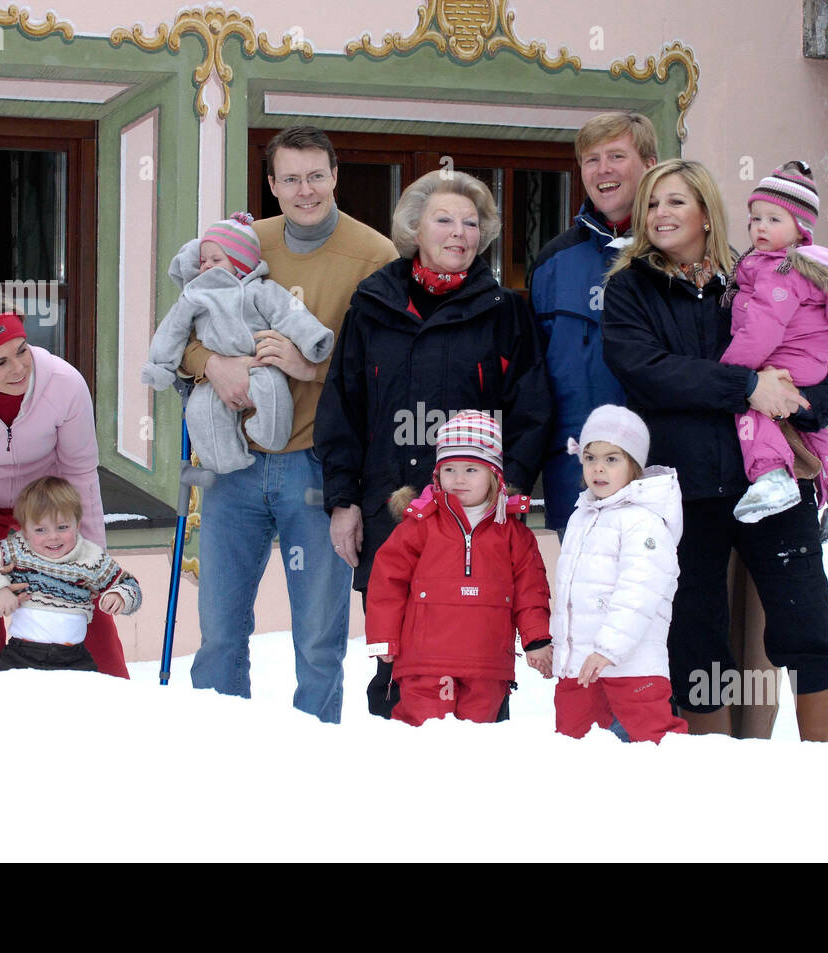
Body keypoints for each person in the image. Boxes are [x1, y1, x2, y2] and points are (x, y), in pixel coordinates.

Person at [601, 159, 828, 741]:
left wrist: (798, 401)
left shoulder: (760, 277)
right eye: (654, 204)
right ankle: (709, 772)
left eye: (676, 202)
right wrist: (746, 387)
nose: (661, 214)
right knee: (696, 632)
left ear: (707, 215)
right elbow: (648, 372)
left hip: (776, 484)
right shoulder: (631, 289)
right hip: (686, 489)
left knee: (807, 621)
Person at [179, 126, 398, 723]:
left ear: (335, 177)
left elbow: (385, 374)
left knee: (318, 641)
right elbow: (180, 334)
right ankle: (218, 744)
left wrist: (312, 367)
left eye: (316, 176)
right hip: (234, 464)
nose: (306, 191)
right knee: (221, 630)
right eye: (291, 178)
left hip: (318, 467)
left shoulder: (374, 256)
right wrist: (212, 365)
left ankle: (315, 758)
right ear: (271, 184)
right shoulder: (239, 243)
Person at [314, 169, 551, 718]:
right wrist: (344, 501)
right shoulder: (373, 306)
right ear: (414, 228)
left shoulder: (506, 313)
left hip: (476, 524)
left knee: (475, 659)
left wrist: (506, 491)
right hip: (390, 511)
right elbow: (343, 410)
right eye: (444, 220)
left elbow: (532, 409)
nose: (459, 233)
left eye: (471, 223)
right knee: (394, 659)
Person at [0, 307, 130, 679]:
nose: (18, 368)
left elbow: (80, 471)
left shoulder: (64, 384)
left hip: (46, 509)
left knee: (87, 605)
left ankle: (117, 701)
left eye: (21, 350)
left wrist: (92, 555)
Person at [720, 161, 828, 539]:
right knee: (805, 425)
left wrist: (731, 372)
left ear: (799, 230)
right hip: (808, 367)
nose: (760, 226)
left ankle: (772, 475)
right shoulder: (781, 265)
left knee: (752, 404)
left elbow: (763, 328)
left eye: (774, 219)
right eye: (755, 217)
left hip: (784, 362)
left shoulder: (783, 271)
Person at [364, 411, 551, 726]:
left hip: (486, 664)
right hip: (424, 662)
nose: (459, 478)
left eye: (470, 469)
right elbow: (387, 581)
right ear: (437, 475)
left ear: (494, 474)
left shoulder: (513, 533)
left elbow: (531, 590)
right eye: (449, 469)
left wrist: (536, 639)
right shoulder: (419, 526)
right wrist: (384, 636)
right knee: (425, 740)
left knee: (477, 749)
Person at [528, 112, 657, 537]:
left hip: (660, 474)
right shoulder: (553, 262)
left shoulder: (687, 252)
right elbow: (532, 381)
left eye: (617, 156)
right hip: (578, 480)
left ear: (650, 165)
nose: (602, 170)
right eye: (591, 159)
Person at [142, 213, 334, 476]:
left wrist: (313, 340)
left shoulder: (261, 290)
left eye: (216, 260)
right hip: (214, 378)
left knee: (273, 390)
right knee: (201, 410)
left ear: (240, 263)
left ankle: (269, 435)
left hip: (260, 363)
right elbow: (173, 329)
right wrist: (160, 364)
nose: (206, 266)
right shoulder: (195, 295)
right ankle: (225, 459)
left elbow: (290, 314)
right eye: (202, 261)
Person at [552, 405, 689, 743]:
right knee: (573, 742)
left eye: (612, 459)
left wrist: (608, 650)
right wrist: (562, 650)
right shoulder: (580, 517)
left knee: (652, 740)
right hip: (581, 665)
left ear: (633, 465)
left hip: (632, 665)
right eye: (589, 457)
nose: (598, 467)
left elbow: (639, 593)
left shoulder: (644, 521)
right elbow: (569, 592)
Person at [0, 476, 141, 673]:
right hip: (21, 655)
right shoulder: (17, 551)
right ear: (25, 531)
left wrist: (120, 594)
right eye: (40, 529)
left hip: (74, 658)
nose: (53, 536)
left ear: (77, 525)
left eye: (62, 527)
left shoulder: (91, 558)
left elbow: (129, 584)